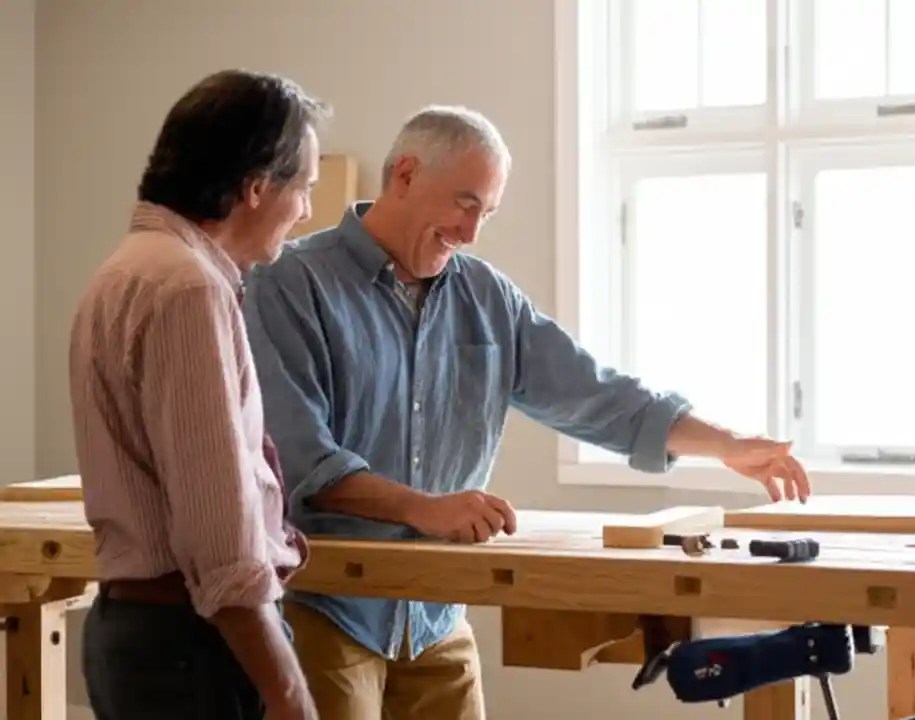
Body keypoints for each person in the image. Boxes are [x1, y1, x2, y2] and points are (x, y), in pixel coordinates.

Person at [241, 104, 811, 719]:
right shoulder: (288, 283)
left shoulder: (487, 297)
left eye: (486, 212)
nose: (471, 232)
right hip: (329, 609)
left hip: (436, 614)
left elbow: (596, 394)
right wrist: (424, 509)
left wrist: (726, 445)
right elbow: (299, 460)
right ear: (404, 175)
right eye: (464, 203)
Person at [68, 69, 329, 720]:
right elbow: (221, 541)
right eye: (305, 189)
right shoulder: (189, 288)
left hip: (142, 632)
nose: (306, 211)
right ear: (255, 187)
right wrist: (291, 695)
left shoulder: (127, 268)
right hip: (191, 645)